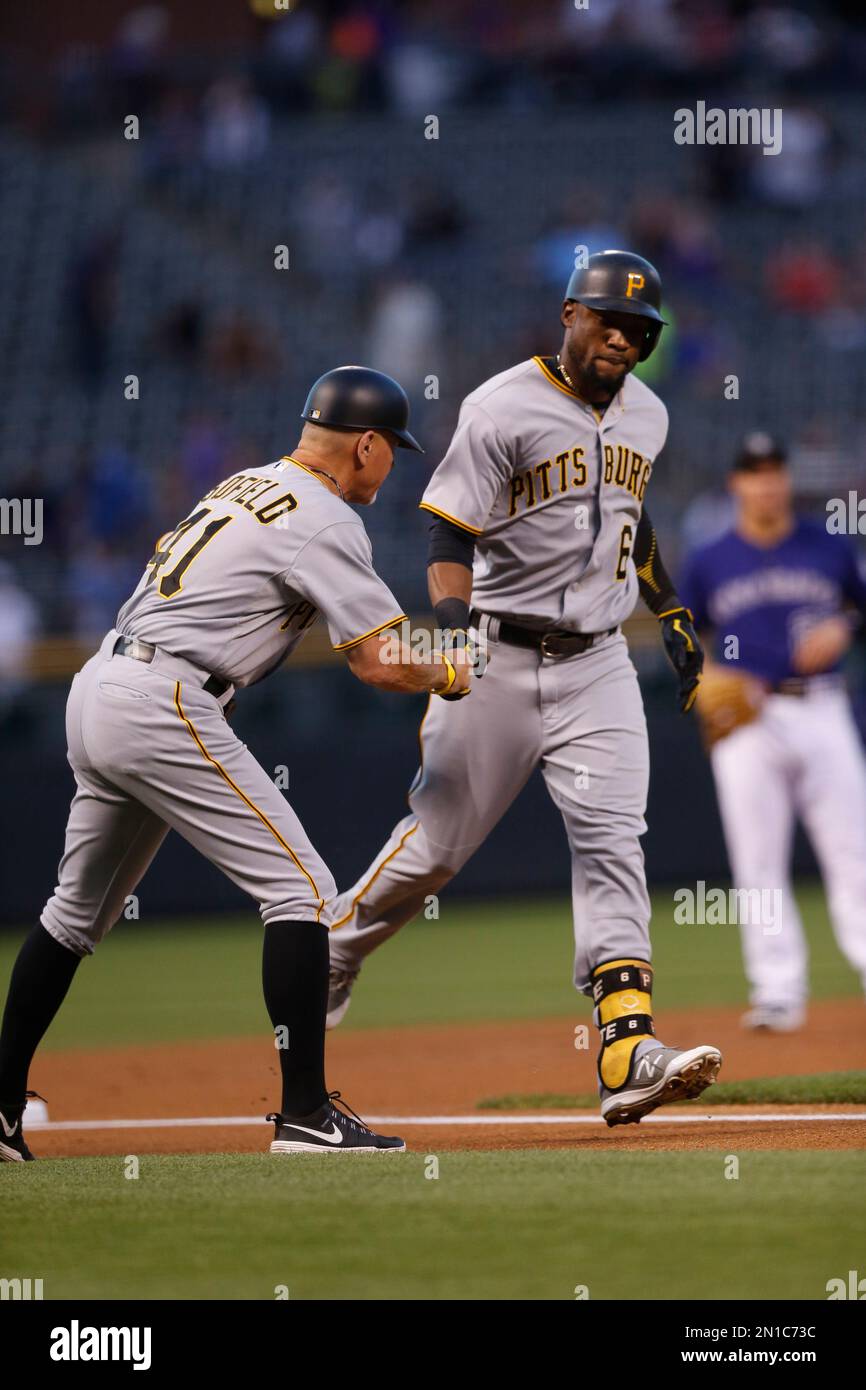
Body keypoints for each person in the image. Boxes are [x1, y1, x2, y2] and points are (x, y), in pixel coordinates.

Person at [0, 366, 471, 1163]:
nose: (391, 465)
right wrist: (459, 666)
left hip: (101, 683)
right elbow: (383, 661)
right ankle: (306, 1115)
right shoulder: (324, 516)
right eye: (390, 449)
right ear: (364, 445)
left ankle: (0, 1105)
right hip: (164, 697)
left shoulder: (247, 481)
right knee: (303, 890)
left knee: (72, 913)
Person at [327, 251, 722, 1126]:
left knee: (615, 838)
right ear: (568, 316)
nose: (622, 336)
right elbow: (447, 527)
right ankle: (330, 953)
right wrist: (454, 620)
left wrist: (671, 608)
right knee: (436, 847)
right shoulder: (501, 405)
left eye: (639, 329)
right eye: (607, 321)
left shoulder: (647, 415)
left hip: (600, 664)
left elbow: (633, 517)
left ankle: (626, 1046)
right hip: (499, 655)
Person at [681, 432, 866, 1031]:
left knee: (853, 852)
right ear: (736, 483)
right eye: (754, 472)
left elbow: (859, 607)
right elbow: (683, 636)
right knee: (757, 861)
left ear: (786, 479)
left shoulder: (828, 545)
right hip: (748, 722)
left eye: (774, 471)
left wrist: (843, 624)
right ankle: (777, 990)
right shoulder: (710, 558)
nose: (766, 482)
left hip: (822, 707)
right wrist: (704, 676)